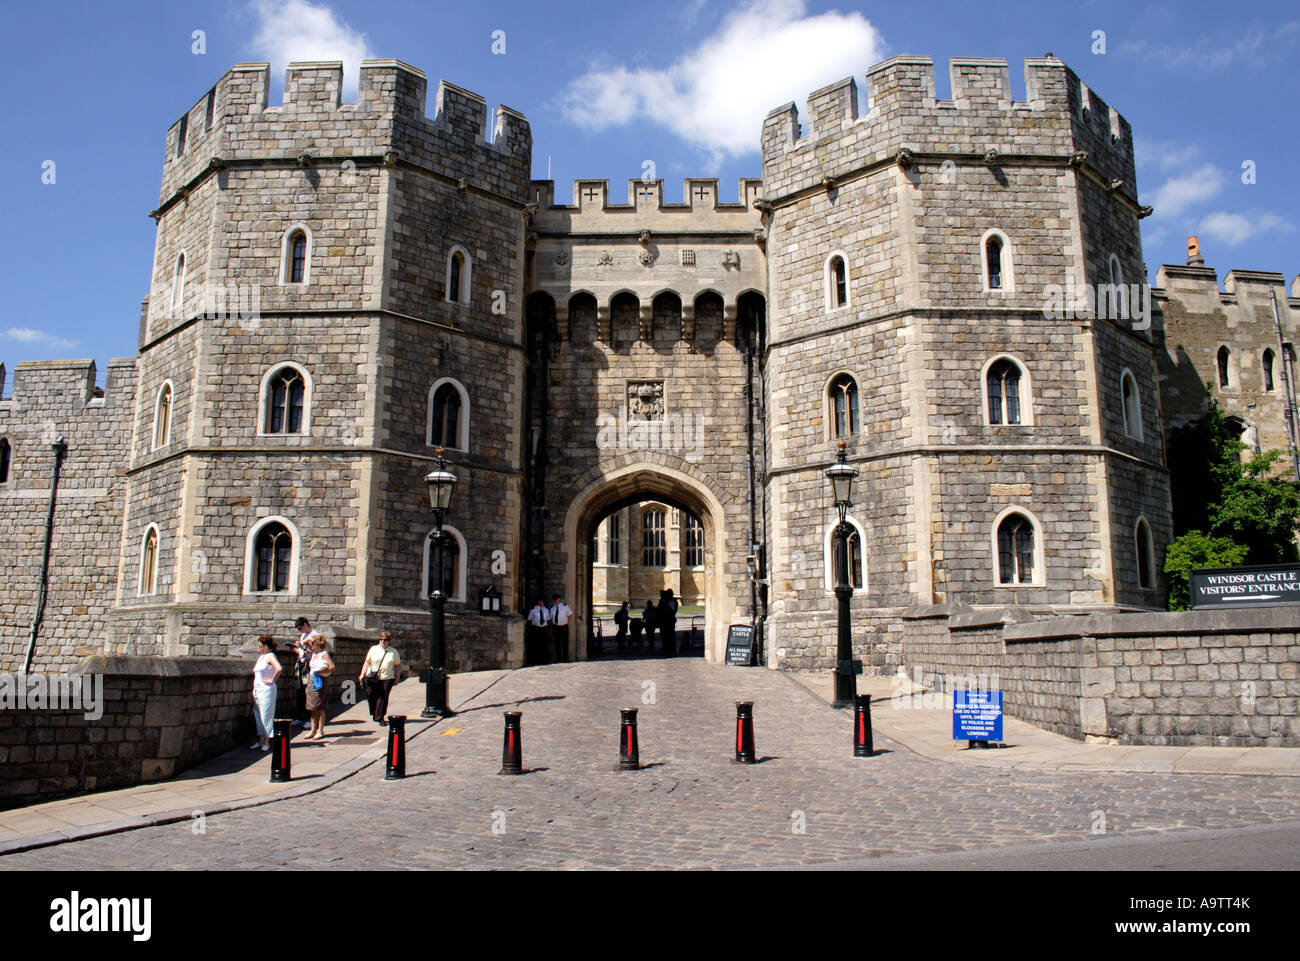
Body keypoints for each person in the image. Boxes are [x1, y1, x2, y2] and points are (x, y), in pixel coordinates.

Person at [360, 632, 401, 725]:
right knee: (370, 695)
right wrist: (362, 674)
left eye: (385, 640)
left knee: (382, 697)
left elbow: (397, 665)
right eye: (381, 639)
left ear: (389, 641)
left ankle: (380, 717)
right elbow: (367, 662)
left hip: (387, 678)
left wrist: (397, 678)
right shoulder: (373, 649)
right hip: (373, 676)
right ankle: (375, 713)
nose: (383, 642)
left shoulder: (393, 652)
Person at [250, 635, 282, 752]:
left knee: (266, 715)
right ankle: (261, 740)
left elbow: (279, 668)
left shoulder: (270, 656)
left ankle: (267, 742)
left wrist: (272, 679)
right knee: (258, 715)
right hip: (258, 689)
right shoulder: (261, 657)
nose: (258, 648)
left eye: (260, 646)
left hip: (267, 690)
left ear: (266, 647)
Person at [290, 617, 322, 728]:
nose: (300, 631)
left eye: (300, 628)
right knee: (300, 692)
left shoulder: (315, 635)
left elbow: (316, 651)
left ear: (305, 625)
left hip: (310, 666)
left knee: (309, 693)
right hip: (301, 664)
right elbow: (302, 651)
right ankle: (300, 717)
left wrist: (304, 647)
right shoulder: (303, 636)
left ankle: (310, 719)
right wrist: (296, 648)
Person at [305, 636, 334, 740]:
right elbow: (305, 644)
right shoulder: (314, 654)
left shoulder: (324, 654)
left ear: (317, 645)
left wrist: (320, 672)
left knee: (320, 706)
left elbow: (332, 667)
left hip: (321, 681)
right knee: (312, 707)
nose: (312, 646)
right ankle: (313, 730)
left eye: (313, 644)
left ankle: (320, 730)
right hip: (312, 680)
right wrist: (309, 640)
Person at [527, 599, 551, 664]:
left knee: (544, 644)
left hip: (544, 628)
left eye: (542, 602)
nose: (541, 603)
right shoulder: (533, 609)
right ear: (538, 602)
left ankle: (544, 659)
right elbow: (529, 619)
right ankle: (536, 659)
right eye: (540, 602)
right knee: (536, 644)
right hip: (536, 629)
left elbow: (548, 618)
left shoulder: (546, 610)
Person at [550, 593, 572, 661]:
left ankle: (565, 658)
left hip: (564, 627)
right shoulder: (552, 608)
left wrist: (565, 622)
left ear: (559, 599)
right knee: (557, 643)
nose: (556, 601)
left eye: (557, 599)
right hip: (556, 627)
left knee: (565, 643)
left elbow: (569, 615)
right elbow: (551, 618)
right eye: (555, 600)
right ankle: (558, 658)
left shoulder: (565, 606)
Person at [660, 588, 679, 656]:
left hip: (669, 620)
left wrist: (665, 604)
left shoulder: (671, 601)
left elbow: (672, 610)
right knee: (665, 634)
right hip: (666, 620)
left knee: (670, 634)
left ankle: (670, 647)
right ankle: (666, 646)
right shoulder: (667, 601)